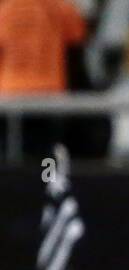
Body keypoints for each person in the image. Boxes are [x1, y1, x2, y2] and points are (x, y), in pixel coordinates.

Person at [0, 0, 87, 159]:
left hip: (9, 94)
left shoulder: (5, 10)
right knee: (47, 159)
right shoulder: (63, 9)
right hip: (49, 92)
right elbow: (75, 55)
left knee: (8, 158)